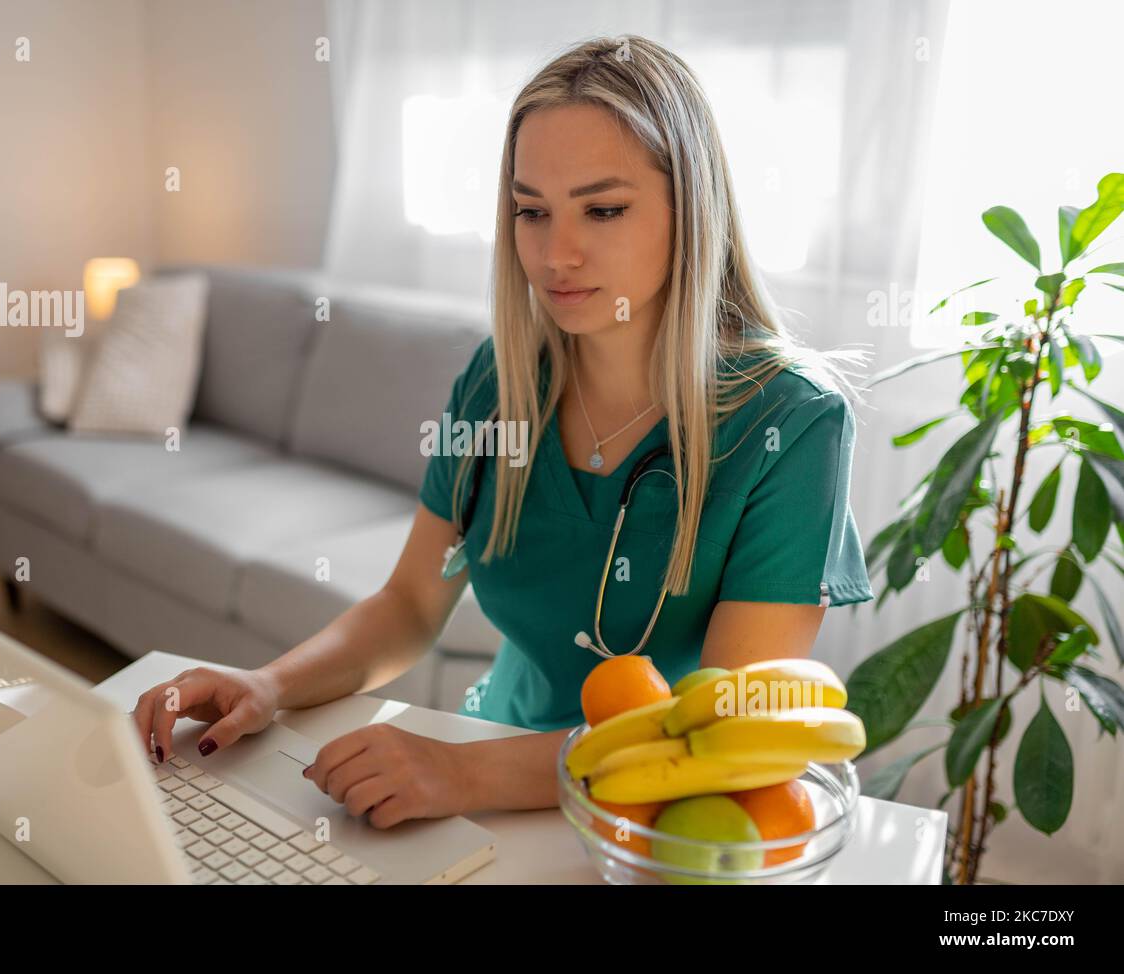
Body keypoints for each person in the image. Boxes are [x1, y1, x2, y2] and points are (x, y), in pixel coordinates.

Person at [132, 34, 873, 830]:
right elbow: (411, 602)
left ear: (692, 210)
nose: (556, 254)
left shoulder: (793, 423)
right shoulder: (497, 384)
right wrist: (269, 684)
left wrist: (461, 773)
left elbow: (719, 737)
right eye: (531, 211)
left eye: (604, 209)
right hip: (490, 770)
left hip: (666, 824)